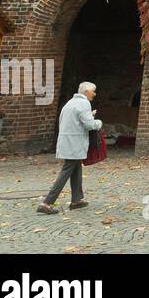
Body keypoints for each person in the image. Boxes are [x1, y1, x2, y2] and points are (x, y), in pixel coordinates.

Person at [37, 82, 102, 215]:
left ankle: (76, 200)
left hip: (67, 142)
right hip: (75, 143)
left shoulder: (70, 102)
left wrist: (90, 116)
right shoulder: (84, 103)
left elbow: (75, 121)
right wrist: (98, 122)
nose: (94, 94)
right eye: (93, 91)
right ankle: (47, 202)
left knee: (75, 168)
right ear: (86, 91)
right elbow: (89, 125)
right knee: (66, 171)